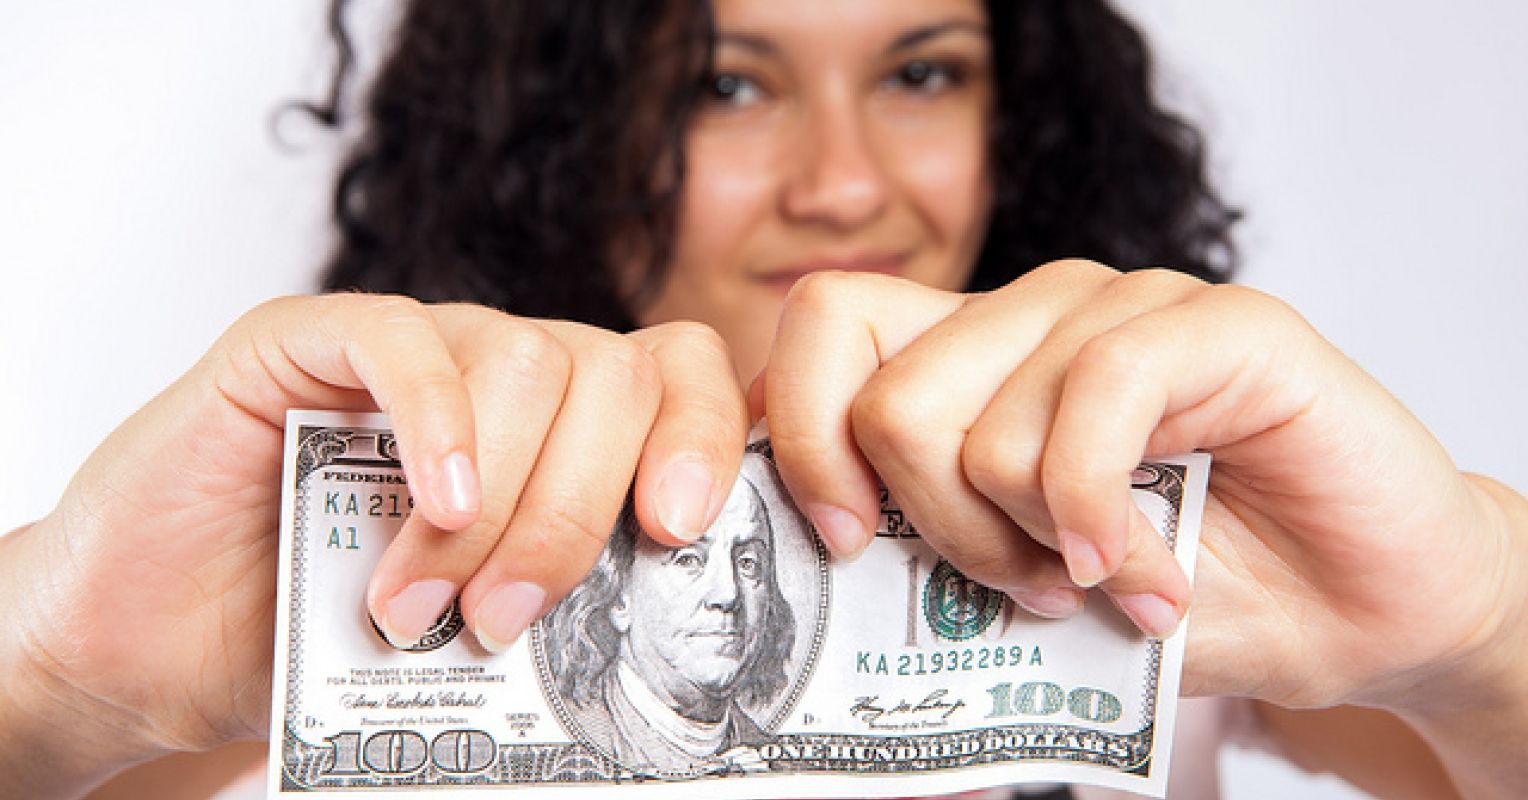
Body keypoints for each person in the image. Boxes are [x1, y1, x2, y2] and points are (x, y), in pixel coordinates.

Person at [1, 1, 1523, 800]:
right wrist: (51, 679)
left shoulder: (1145, 534)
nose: (844, 184)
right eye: (726, 85)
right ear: (560, 128)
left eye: (923, 73)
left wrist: (1484, 619)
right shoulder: (359, 566)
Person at [541, 465, 798, 775]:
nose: (728, 594)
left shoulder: (778, 762)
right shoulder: (590, 733)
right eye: (688, 559)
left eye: (748, 563)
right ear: (620, 594)